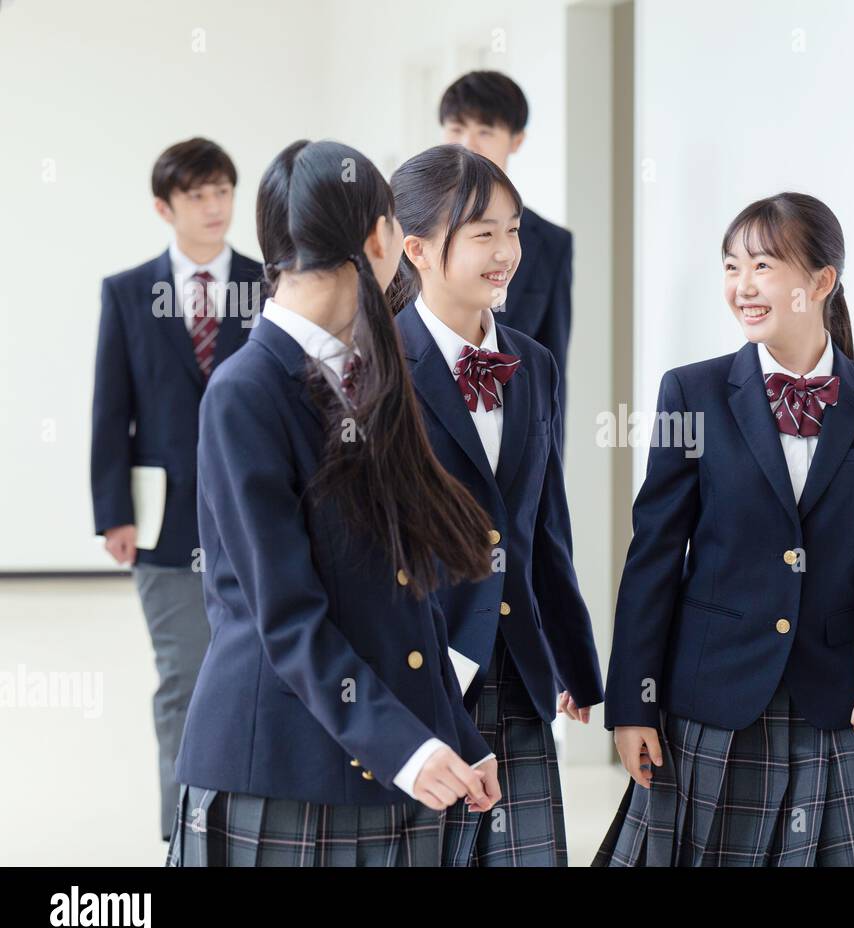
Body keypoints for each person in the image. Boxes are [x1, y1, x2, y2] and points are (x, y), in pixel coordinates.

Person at [166, 140, 502, 867]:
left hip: (382, 760)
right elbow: (285, 616)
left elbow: (407, 593)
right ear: (379, 239)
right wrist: (407, 747)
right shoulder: (246, 390)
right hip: (283, 770)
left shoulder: (368, 371)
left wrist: (457, 738)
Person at [595, 193, 854, 866]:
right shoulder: (692, 392)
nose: (742, 286)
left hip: (833, 702)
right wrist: (632, 702)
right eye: (730, 267)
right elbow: (654, 555)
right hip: (710, 698)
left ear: (821, 282)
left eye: (763, 266)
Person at [388, 143, 603, 866]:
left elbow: (545, 523)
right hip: (421, 664)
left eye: (512, 230)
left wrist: (575, 658)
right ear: (415, 248)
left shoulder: (532, 362)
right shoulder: (377, 367)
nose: (505, 250)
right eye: (482, 233)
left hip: (516, 665)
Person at [90, 137, 261, 841]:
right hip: (164, 523)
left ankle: (252, 821)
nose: (215, 206)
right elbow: (111, 407)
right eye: (197, 195)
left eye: (223, 190)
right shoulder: (128, 292)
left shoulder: (269, 281)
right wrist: (114, 515)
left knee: (258, 673)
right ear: (165, 207)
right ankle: (184, 828)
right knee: (184, 677)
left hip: (257, 513)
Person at [440, 70, 575, 420]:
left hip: (513, 432)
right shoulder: (411, 230)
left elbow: (552, 370)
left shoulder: (551, 244)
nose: (468, 144)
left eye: (485, 131)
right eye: (456, 129)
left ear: (516, 140)